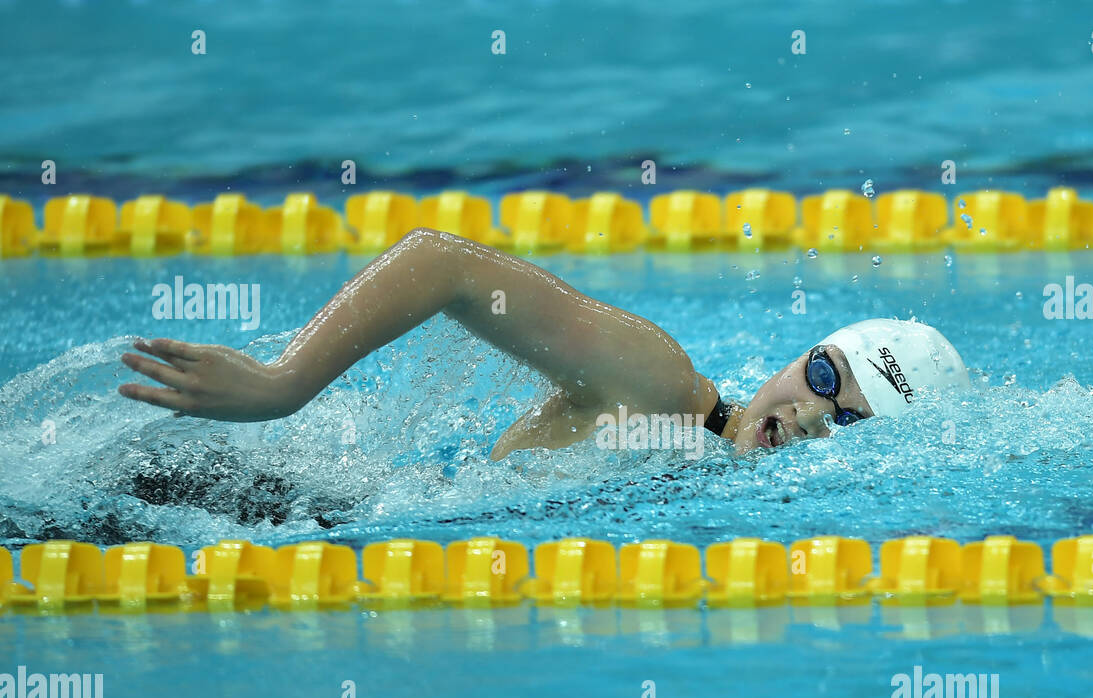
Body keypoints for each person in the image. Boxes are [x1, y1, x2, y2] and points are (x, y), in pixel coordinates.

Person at [119, 229, 970, 459]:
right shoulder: (666, 388)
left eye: (850, 419)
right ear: (801, 352)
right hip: (273, 509)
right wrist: (281, 386)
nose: (814, 411)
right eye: (825, 373)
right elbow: (442, 264)